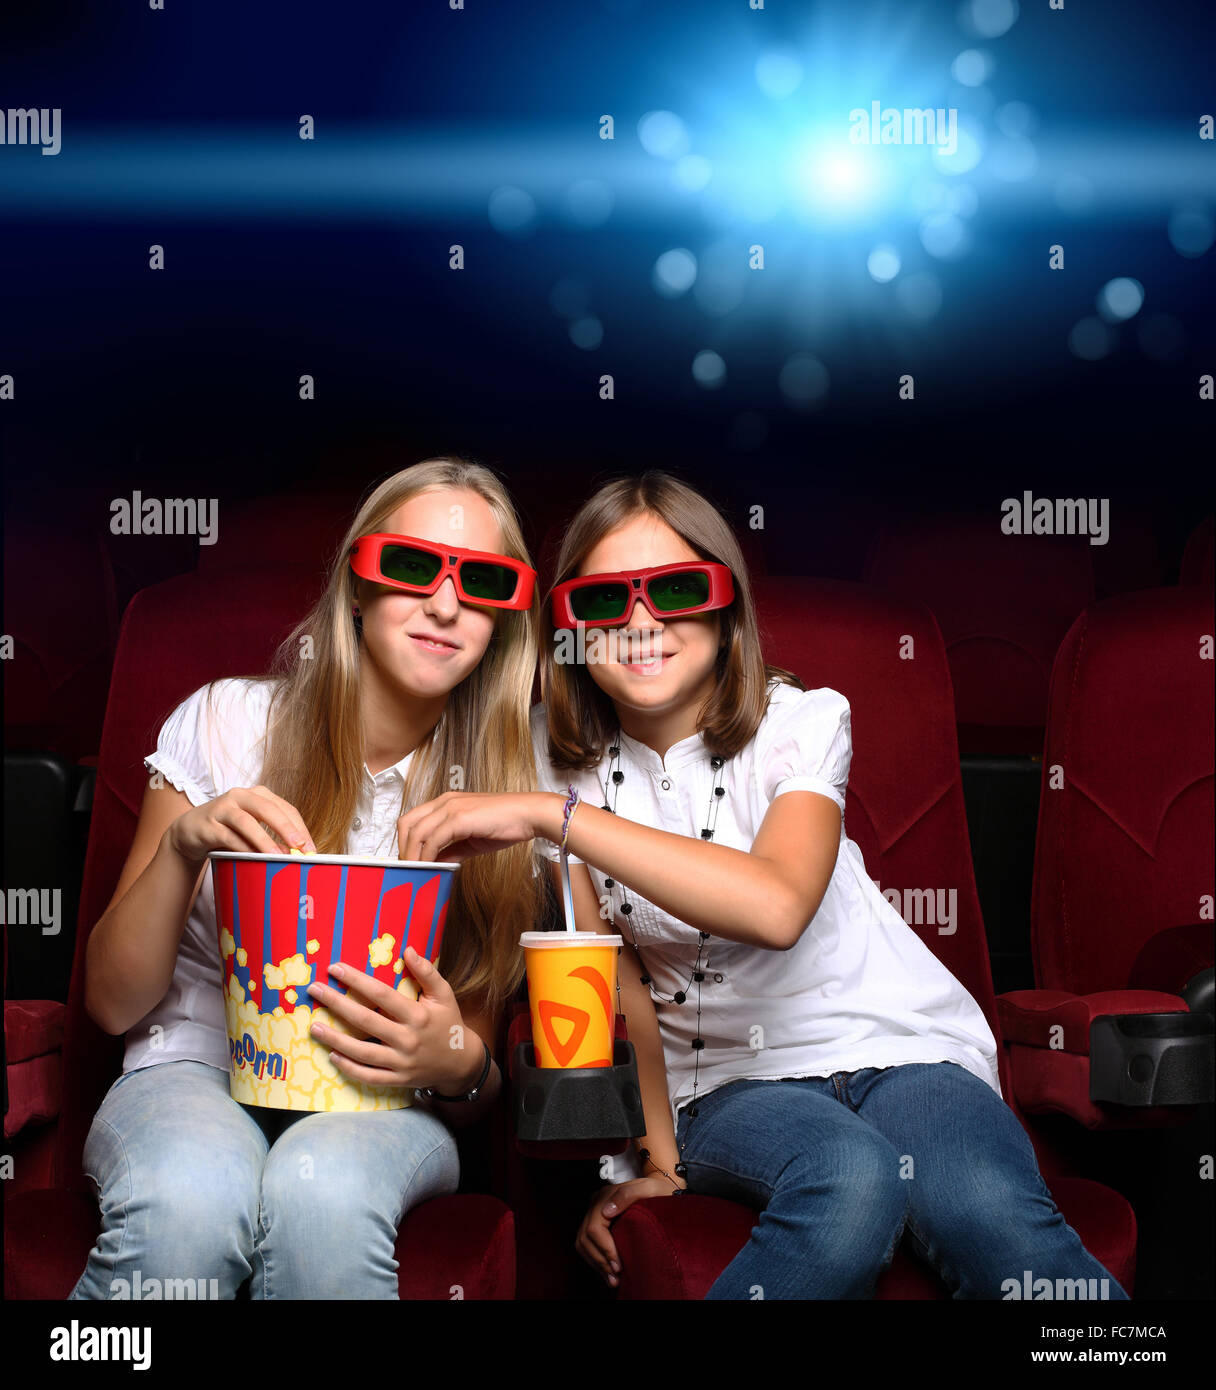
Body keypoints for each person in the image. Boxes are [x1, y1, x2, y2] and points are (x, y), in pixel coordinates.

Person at [395, 470, 1130, 1301]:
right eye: (603, 602)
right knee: (850, 1177)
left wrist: (550, 815)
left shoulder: (801, 721)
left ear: (724, 607)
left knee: (987, 1210)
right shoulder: (545, 759)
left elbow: (776, 905)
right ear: (568, 626)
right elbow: (610, 975)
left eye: (674, 590)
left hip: (901, 1048)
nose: (640, 623)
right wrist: (662, 1160)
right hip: (727, 1082)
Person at [72, 456, 541, 1300]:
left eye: (482, 583)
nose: (444, 604)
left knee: (319, 1196)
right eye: (409, 565)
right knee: (187, 1204)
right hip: (193, 1065)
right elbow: (109, 1004)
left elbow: (472, 1074)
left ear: (506, 621)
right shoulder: (223, 721)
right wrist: (184, 848)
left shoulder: (507, 792)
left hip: (386, 1105)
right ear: (357, 584)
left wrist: (454, 1062)